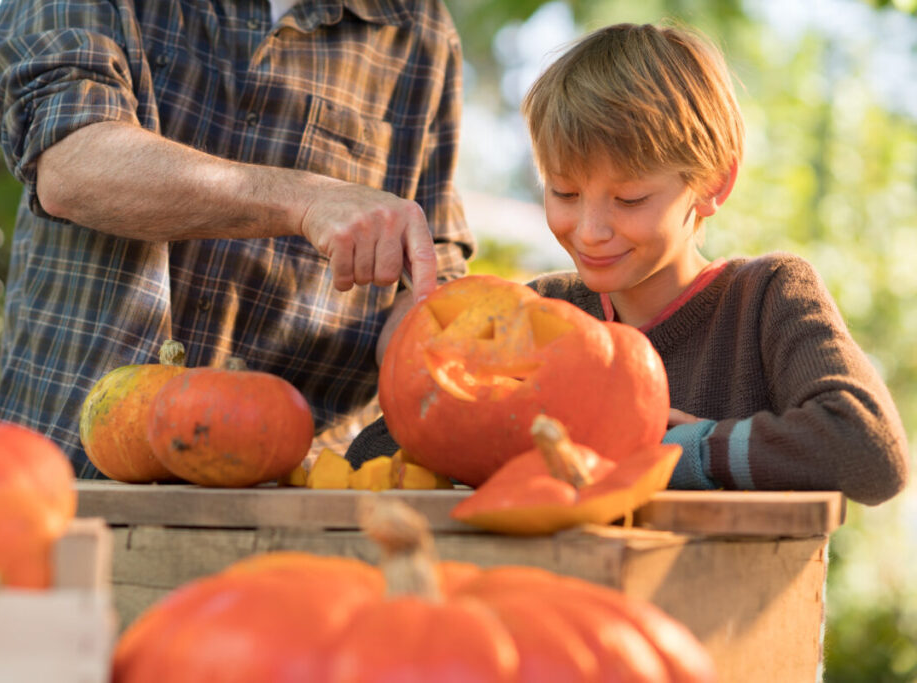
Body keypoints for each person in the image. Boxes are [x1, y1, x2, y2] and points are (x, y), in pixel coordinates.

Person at [349, 22, 909, 506]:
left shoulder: (767, 297)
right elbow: (365, 455)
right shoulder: (542, 311)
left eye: (630, 199)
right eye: (564, 193)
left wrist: (678, 455)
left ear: (713, 184)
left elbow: (869, 451)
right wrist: (495, 437)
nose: (590, 231)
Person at [0, 0, 474, 477]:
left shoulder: (421, 28)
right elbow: (73, 165)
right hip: (68, 466)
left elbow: (429, 269)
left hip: (297, 490)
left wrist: (453, 341)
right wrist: (307, 199)